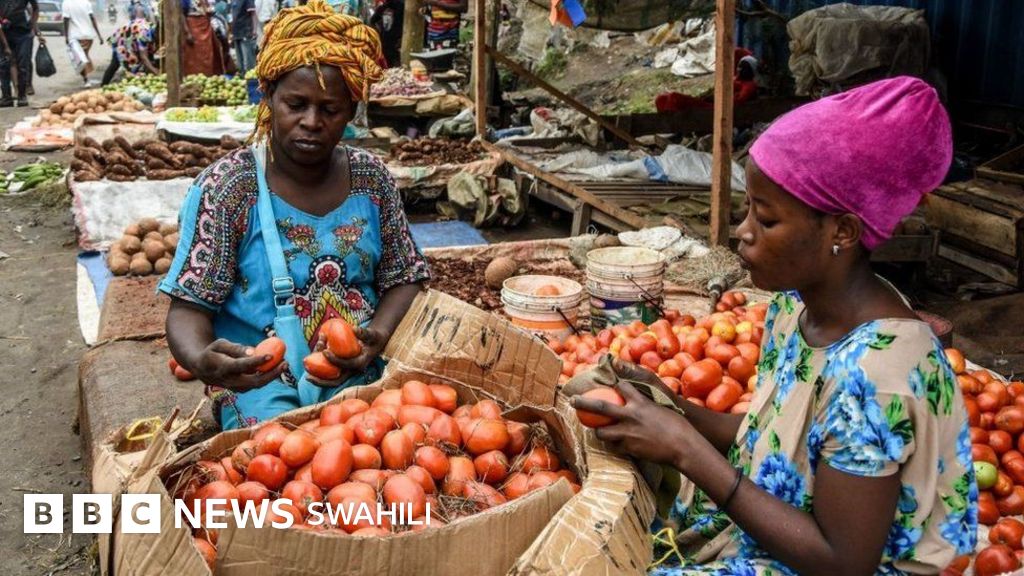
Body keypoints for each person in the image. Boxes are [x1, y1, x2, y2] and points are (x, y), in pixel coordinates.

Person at [572, 77, 977, 575]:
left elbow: (843, 561)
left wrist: (685, 449)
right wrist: (669, 405)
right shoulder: (795, 309)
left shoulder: (878, 375)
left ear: (842, 232)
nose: (742, 232)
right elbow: (768, 436)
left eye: (765, 220)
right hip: (774, 534)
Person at [160, 0, 429, 431]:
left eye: (330, 109)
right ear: (268, 97)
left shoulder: (372, 179)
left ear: (352, 111)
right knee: (287, 463)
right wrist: (202, 361)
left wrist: (374, 337)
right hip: (259, 382)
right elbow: (188, 308)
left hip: (362, 374)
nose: (311, 122)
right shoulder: (228, 187)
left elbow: (405, 277)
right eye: (296, 104)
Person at [0, 0, 39, 107]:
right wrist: (6, 46)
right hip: (4, 32)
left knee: (23, 65)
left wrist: (32, 24)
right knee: (3, 65)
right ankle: (6, 97)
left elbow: (35, 8)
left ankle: (22, 96)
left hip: (23, 34)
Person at [101, 16, 159, 85]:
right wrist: (157, 73)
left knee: (147, 63)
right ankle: (103, 86)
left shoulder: (154, 30)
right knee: (117, 64)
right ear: (156, 32)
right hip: (123, 39)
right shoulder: (144, 34)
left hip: (133, 38)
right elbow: (144, 58)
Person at [62, 0, 104, 85]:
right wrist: (99, 35)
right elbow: (92, 18)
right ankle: (87, 77)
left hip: (75, 36)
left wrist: (66, 36)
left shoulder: (66, 3)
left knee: (80, 59)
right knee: (83, 57)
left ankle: (86, 79)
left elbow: (66, 19)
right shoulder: (86, 2)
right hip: (88, 35)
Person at [182, 0, 226, 76]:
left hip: (206, 28)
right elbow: (181, 15)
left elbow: (208, 9)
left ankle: (210, 76)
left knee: (209, 55)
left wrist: (209, 11)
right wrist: (187, 32)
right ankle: (194, 78)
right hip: (193, 28)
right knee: (194, 58)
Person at [369, 0, 401, 67]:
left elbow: (372, 21)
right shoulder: (383, 7)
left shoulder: (400, 7)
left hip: (394, 41)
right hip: (387, 41)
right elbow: (372, 21)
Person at [229, 0, 256, 75]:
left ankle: (251, 78)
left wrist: (254, 30)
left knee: (248, 58)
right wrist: (231, 32)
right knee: (239, 59)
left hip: (246, 31)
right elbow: (232, 16)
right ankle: (242, 75)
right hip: (236, 33)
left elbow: (253, 14)